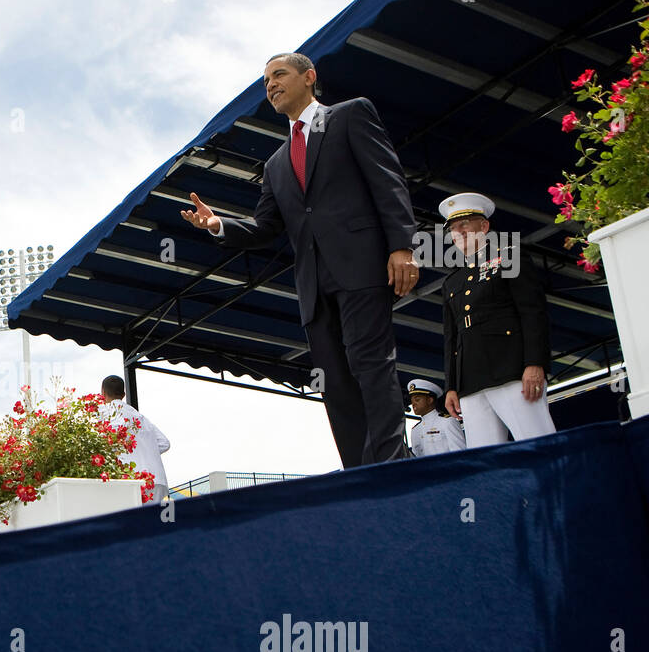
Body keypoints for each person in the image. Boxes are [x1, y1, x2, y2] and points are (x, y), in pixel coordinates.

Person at [182, 53, 418, 468]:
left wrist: (402, 247)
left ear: (309, 77)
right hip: (313, 286)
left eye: (279, 75)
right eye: (265, 82)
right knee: (336, 383)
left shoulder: (350, 115)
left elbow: (388, 180)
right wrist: (218, 224)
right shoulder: (275, 164)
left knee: (370, 364)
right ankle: (359, 473)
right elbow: (265, 227)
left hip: (360, 267)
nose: (271, 85)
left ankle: (391, 466)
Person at [439, 193, 556, 448]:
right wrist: (451, 386)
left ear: (484, 226)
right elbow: (451, 338)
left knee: (539, 444)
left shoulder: (509, 256)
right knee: (484, 459)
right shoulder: (452, 281)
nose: (459, 232)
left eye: (464, 224)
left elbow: (532, 311)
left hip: (511, 370)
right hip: (470, 381)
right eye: (453, 229)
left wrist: (535, 363)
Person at [97, 376, 171, 503]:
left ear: (102, 393)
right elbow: (165, 443)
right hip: (158, 480)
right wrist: (145, 451)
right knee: (158, 516)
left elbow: (100, 441)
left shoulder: (105, 412)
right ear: (123, 394)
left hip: (132, 479)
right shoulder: (139, 416)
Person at [405, 379, 465, 457]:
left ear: (430, 400)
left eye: (417, 400)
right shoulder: (415, 430)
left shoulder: (447, 421)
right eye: (412, 401)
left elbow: (460, 453)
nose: (413, 404)